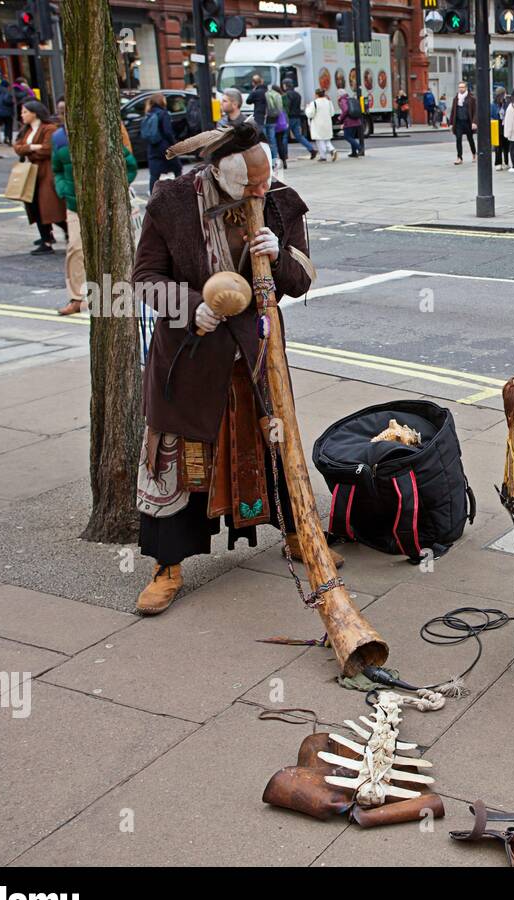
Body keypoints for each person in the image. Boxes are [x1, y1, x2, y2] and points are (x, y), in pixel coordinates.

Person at [131, 122, 332, 615]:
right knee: (175, 455)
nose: (263, 191)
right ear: (218, 174)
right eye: (251, 185)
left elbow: (302, 279)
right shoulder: (172, 202)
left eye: (266, 179)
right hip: (190, 352)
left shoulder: (281, 200)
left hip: (256, 350)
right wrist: (192, 304)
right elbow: (145, 279)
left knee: (273, 440)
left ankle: (298, 534)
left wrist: (278, 255)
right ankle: (167, 566)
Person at [50, 111, 139, 315]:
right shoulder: (58, 139)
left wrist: (117, 188)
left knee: (117, 246)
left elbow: (129, 165)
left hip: (108, 202)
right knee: (75, 248)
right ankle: (77, 298)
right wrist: (63, 188)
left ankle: (123, 293)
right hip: (75, 204)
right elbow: (56, 169)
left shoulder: (103, 133)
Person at [13, 99, 66, 255]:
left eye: (25, 112)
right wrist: (31, 147)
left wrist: (29, 149)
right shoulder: (27, 130)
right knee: (35, 207)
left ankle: (69, 231)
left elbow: (48, 149)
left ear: (34, 113)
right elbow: (17, 148)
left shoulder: (49, 128)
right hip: (32, 174)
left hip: (47, 172)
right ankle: (46, 240)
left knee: (50, 208)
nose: (22, 115)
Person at [142, 93, 182, 193]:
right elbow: (168, 132)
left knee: (154, 175)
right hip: (165, 147)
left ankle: (153, 195)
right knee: (177, 169)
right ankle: (181, 190)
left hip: (153, 147)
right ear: (161, 101)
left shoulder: (149, 114)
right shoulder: (163, 114)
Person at [282, 81, 315, 160]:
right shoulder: (297, 94)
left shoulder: (287, 94)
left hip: (289, 117)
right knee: (299, 136)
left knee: (284, 136)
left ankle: (284, 154)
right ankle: (311, 149)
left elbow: (287, 106)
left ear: (286, 86)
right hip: (297, 116)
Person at [304, 87, 337, 161]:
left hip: (317, 124)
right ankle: (332, 150)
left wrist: (307, 108)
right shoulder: (328, 102)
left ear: (316, 95)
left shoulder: (314, 103)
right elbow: (332, 113)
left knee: (320, 140)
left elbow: (310, 114)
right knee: (327, 139)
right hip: (327, 123)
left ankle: (323, 156)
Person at [451, 81, 477, 165]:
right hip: (458, 122)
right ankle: (459, 157)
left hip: (468, 122)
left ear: (466, 88)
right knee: (458, 139)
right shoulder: (456, 99)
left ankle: (474, 154)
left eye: (462, 87)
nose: (460, 89)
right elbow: (453, 111)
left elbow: (475, 111)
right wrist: (451, 124)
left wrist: (474, 122)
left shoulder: (471, 98)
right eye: (459, 87)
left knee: (470, 139)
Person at [338, 90, 364, 157]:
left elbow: (346, 110)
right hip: (356, 121)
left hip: (349, 122)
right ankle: (354, 152)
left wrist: (340, 117)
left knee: (347, 136)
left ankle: (359, 148)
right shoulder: (350, 99)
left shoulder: (343, 100)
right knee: (352, 137)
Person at [491, 87, 508, 169]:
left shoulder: (506, 103)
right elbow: (490, 116)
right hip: (496, 126)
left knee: (506, 145)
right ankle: (498, 163)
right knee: (498, 146)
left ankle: (506, 162)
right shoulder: (493, 105)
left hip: (505, 126)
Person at [0, 77, 13, 146]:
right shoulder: (7, 91)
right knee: (8, 125)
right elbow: (7, 101)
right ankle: (8, 138)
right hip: (7, 111)